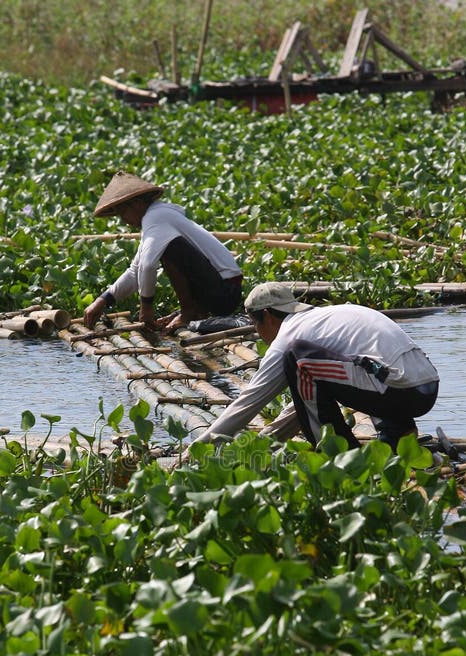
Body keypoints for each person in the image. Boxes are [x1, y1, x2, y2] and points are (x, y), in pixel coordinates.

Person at [197, 282, 439, 452]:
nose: (257, 333)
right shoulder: (329, 316)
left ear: (268, 315)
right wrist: (267, 441)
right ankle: (398, 436)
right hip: (425, 389)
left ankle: (337, 454)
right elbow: (307, 399)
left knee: (296, 358)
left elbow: (248, 403)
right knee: (360, 366)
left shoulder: (289, 336)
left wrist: (199, 448)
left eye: (254, 324)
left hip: (396, 390)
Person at [83, 171, 243, 333]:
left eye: (123, 212)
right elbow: (135, 271)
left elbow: (147, 266)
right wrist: (102, 301)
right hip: (219, 291)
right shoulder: (155, 219)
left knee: (169, 248)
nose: (124, 220)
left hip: (225, 293)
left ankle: (189, 312)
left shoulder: (156, 216)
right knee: (166, 247)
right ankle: (194, 311)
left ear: (137, 203)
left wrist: (146, 308)